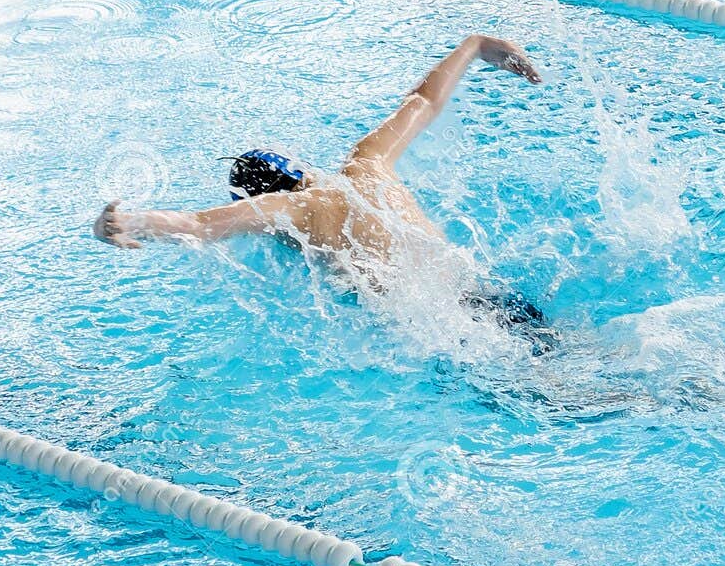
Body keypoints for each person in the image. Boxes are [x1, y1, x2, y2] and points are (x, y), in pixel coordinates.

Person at [93, 33, 556, 352]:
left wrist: (124, 223)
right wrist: (474, 46)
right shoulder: (369, 163)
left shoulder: (291, 210)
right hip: (488, 299)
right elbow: (423, 101)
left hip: (451, 334)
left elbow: (196, 225)